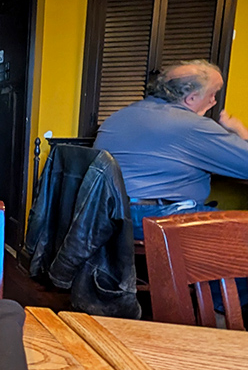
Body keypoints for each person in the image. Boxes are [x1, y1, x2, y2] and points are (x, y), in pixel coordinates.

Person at [94, 60, 248, 240]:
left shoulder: (119, 116)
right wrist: (240, 131)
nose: (213, 101)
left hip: (106, 216)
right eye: (212, 94)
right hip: (157, 218)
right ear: (191, 98)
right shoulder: (192, 126)